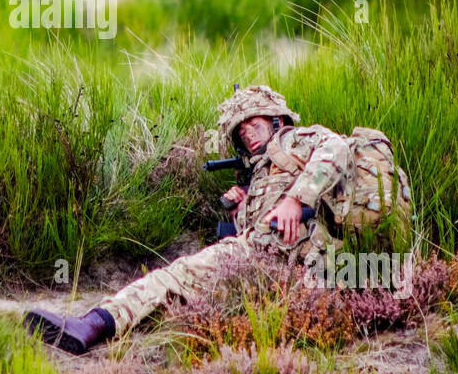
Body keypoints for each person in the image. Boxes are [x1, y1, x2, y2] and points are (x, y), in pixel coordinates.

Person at [23, 85, 412, 355]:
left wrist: (296, 200)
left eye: (253, 124)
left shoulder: (294, 139)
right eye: (241, 132)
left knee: (171, 277)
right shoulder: (266, 170)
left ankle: (90, 325)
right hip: (284, 267)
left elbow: (336, 148)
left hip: (284, 256)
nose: (248, 134)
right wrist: (240, 208)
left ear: (276, 119)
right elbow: (262, 223)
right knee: (187, 296)